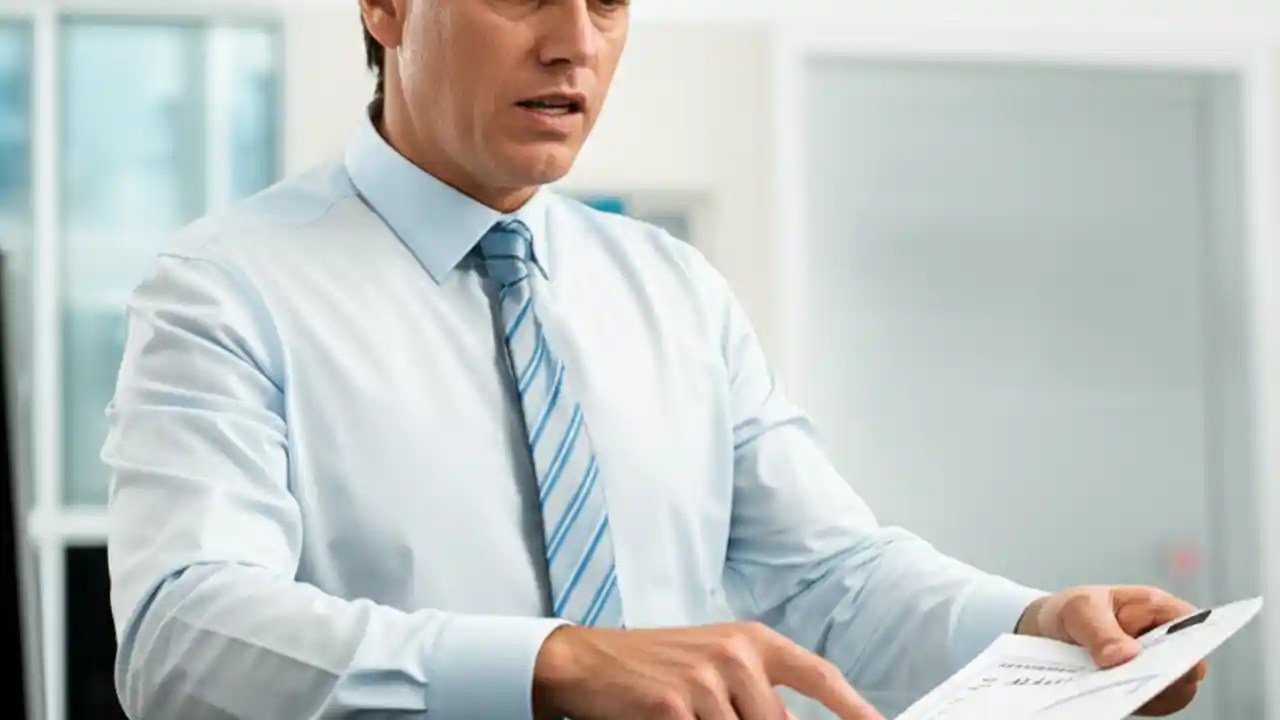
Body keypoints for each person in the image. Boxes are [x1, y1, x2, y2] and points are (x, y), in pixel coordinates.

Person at [103, 1, 1209, 718]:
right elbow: (185, 635)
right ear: (385, 8)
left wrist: (1031, 628)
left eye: (606, 4)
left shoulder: (671, 289)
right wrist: (555, 664)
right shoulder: (227, 285)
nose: (573, 42)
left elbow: (827, 576)